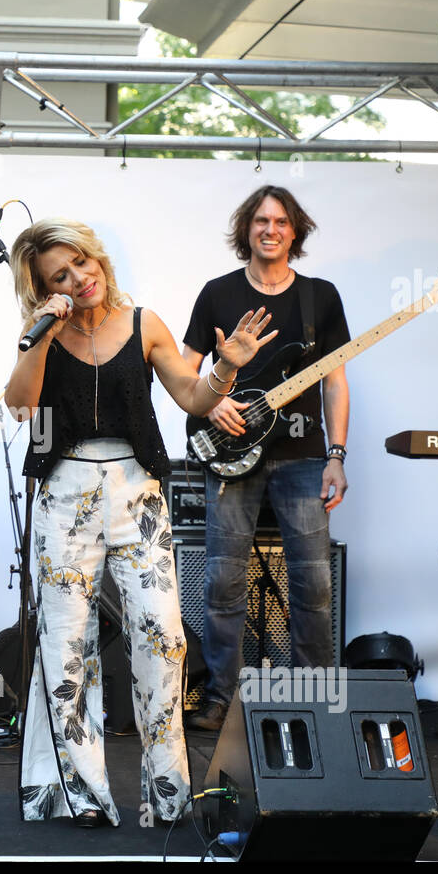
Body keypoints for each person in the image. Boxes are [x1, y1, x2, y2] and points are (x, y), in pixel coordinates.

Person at [5, 217, 275, 828]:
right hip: (65, 488)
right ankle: (78, 793)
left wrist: (226, 367)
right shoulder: (39, 332)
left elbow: (195, 399)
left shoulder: (143, 322)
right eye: (61, 275)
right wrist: (42, 332)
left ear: (98, 259)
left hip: (136, 491)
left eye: (82, 263)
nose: (80, 278)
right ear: (44, 288)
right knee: (66, 642)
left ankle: (168, 793)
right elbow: (21, 405)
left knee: (162, 636)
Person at [181, 185, 350, 734]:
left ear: (294, 231)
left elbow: (336, 381)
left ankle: (316, 695)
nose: (270, 229)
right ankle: (218, 698)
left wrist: (337, 455)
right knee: (223, 582)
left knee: (314, 583)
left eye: (280, 221)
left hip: (303, 456)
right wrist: (215, 403)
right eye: (259, 221)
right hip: (229, 456)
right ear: (246, 230)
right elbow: (182, 372)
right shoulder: (217, 293)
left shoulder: (319, 298)